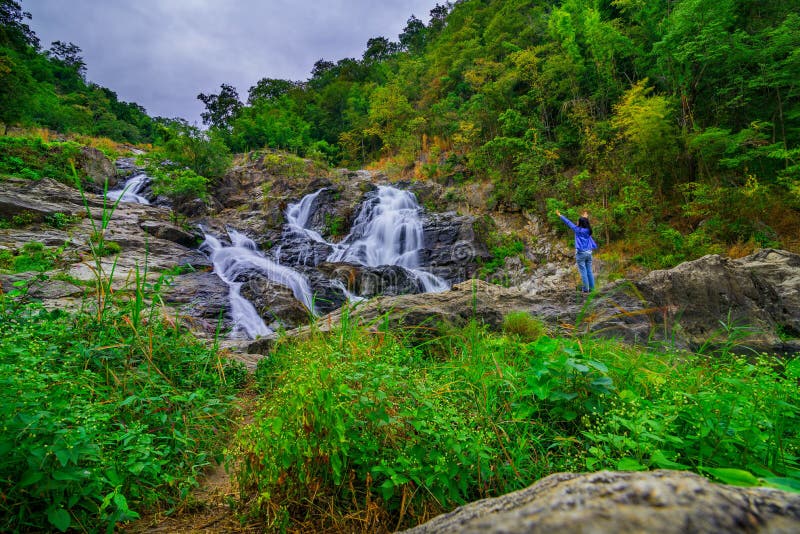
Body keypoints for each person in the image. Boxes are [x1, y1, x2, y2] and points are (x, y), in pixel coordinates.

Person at [556, 209, 598, 293]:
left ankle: (586, 289)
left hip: (581, 254)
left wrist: (560, 215)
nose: (576, 222)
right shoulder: (588, 230)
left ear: (580, 223)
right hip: (589, 253)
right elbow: (586, 222)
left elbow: (568, 222)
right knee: (589, 270)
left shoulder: (577, 230)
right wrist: (585, 217)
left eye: (577, 221)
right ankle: (592, 288)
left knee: (583, 272)